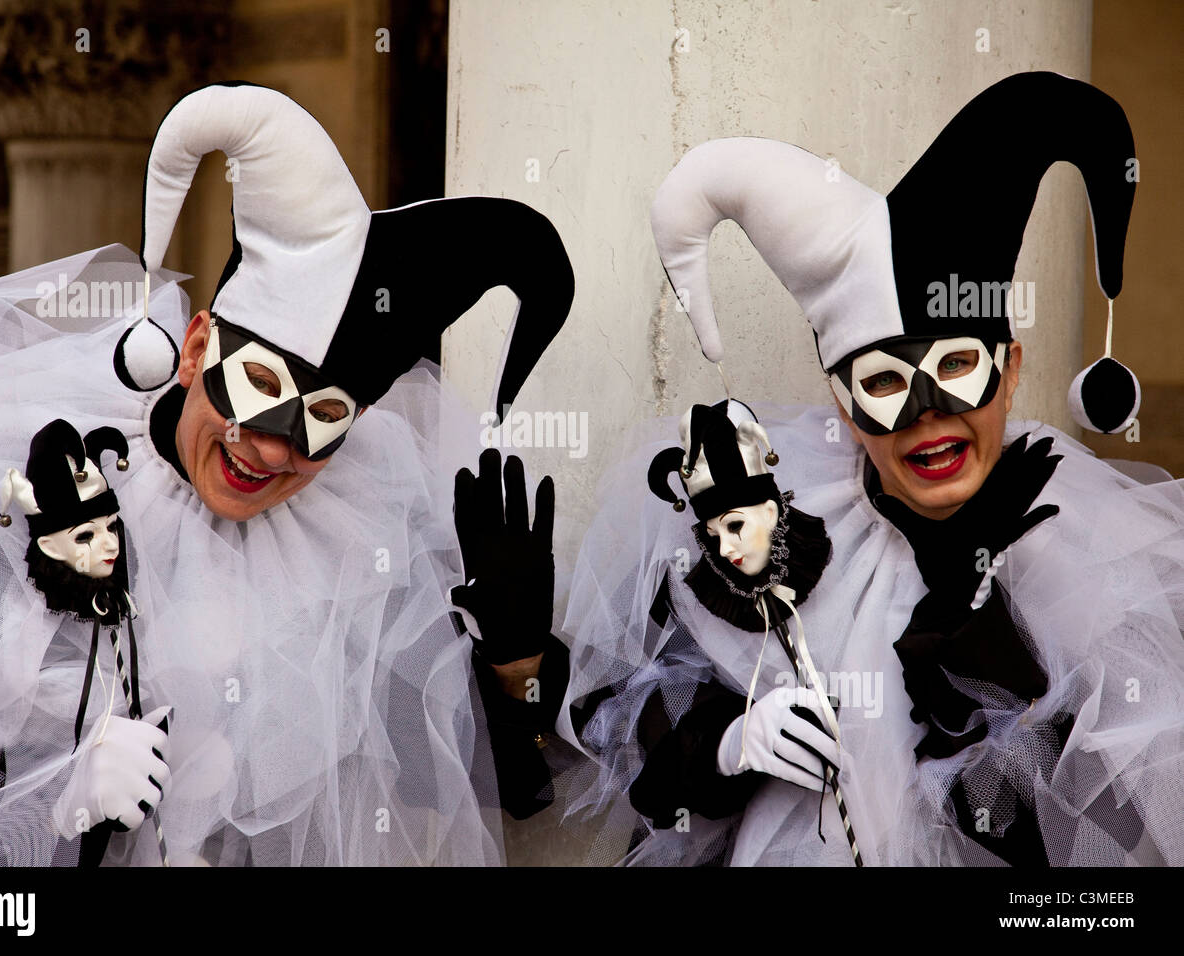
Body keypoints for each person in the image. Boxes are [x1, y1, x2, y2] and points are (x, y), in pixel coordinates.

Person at [480, 72, 1184, 866]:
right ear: (843, 404)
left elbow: (1084, 855)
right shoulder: (776, 523)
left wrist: (968, 632)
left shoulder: (1090, 565)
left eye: (955, 368)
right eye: (884, 381)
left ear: (1010, 368)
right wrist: (729, 741)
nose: (927, 415)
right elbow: (636, 734)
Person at [0, 82, 575, 866]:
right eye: (261, 390)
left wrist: (514, 664)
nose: (275, 451)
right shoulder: (35, 493)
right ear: (196, 345)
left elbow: (498, 788)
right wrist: (57, 802)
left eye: (323, 419)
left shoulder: (361, 549)